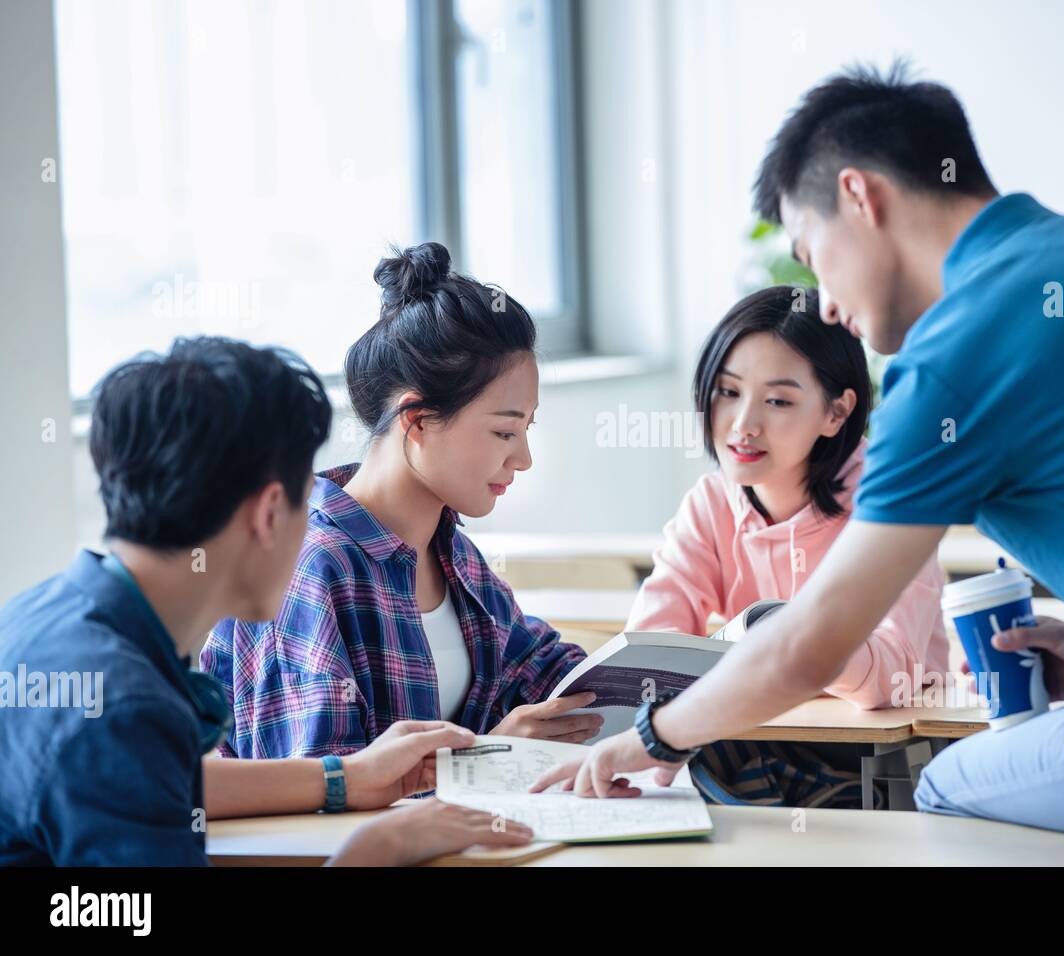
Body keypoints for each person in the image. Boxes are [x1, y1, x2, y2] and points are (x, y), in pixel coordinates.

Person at [532, 62, 1064, 853]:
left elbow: (811, 644)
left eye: (811, 250)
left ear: (860, 199)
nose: (824, 300)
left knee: (943, 790)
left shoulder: (948, 362)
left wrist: (654, 739)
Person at [0, 337, 532, 865]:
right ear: (270, 513)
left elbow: (176, 778)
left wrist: (345, 779)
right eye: (308, 499)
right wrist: (379, 849)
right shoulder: (123, 709)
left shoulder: (45, 619)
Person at [201, 242, 599, 759]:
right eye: (505, 433)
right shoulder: (311, 567)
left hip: (459, 836)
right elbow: (323, 795)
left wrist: (669, 678)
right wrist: (491, 753)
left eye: (527, 428)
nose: (523, 459)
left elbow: (544, 673)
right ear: (417, 420)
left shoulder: (454, 555)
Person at [626, 284, 946, 806]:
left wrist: (793, 643)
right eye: (728, 392)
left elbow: (894, 675)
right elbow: (652, 646)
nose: (743, 425)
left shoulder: (889, 502)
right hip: (762, 740)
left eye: (777, 401)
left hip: (888, 758)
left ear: (837, 413)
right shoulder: (712, 503)